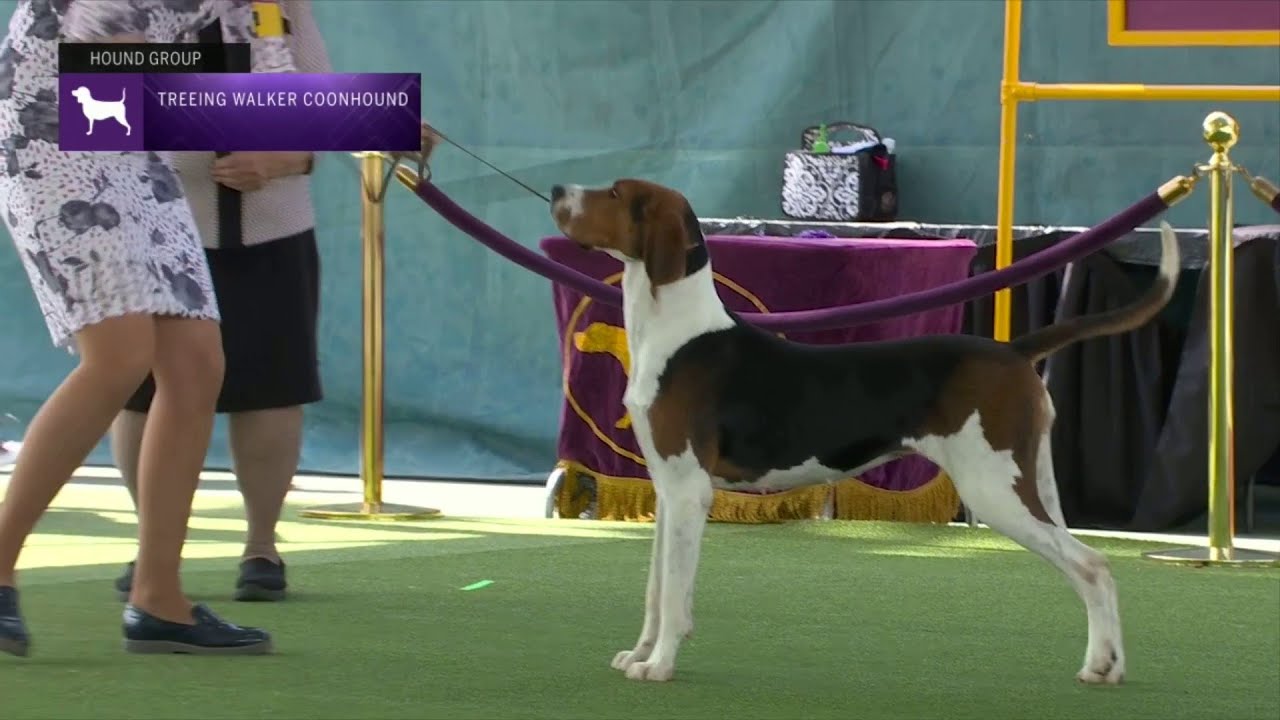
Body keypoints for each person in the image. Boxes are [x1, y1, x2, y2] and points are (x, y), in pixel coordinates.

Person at [0, 0, 271, 657]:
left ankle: (158, 599)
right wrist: (343, 113)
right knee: (119, 356)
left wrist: (365, 118)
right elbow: (103, 60)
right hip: (54, 127)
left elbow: (258, 61)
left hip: (136, 148)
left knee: (196, 364)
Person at [109, 0, 331, 605]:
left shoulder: (281, 6)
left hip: (274, 227)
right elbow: (98, 111)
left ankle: (261, 545)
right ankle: (154, 545)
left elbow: (322, 109)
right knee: (143, 390)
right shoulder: (126, 10)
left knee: (273, 386)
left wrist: (284, 158)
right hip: (156, 228)